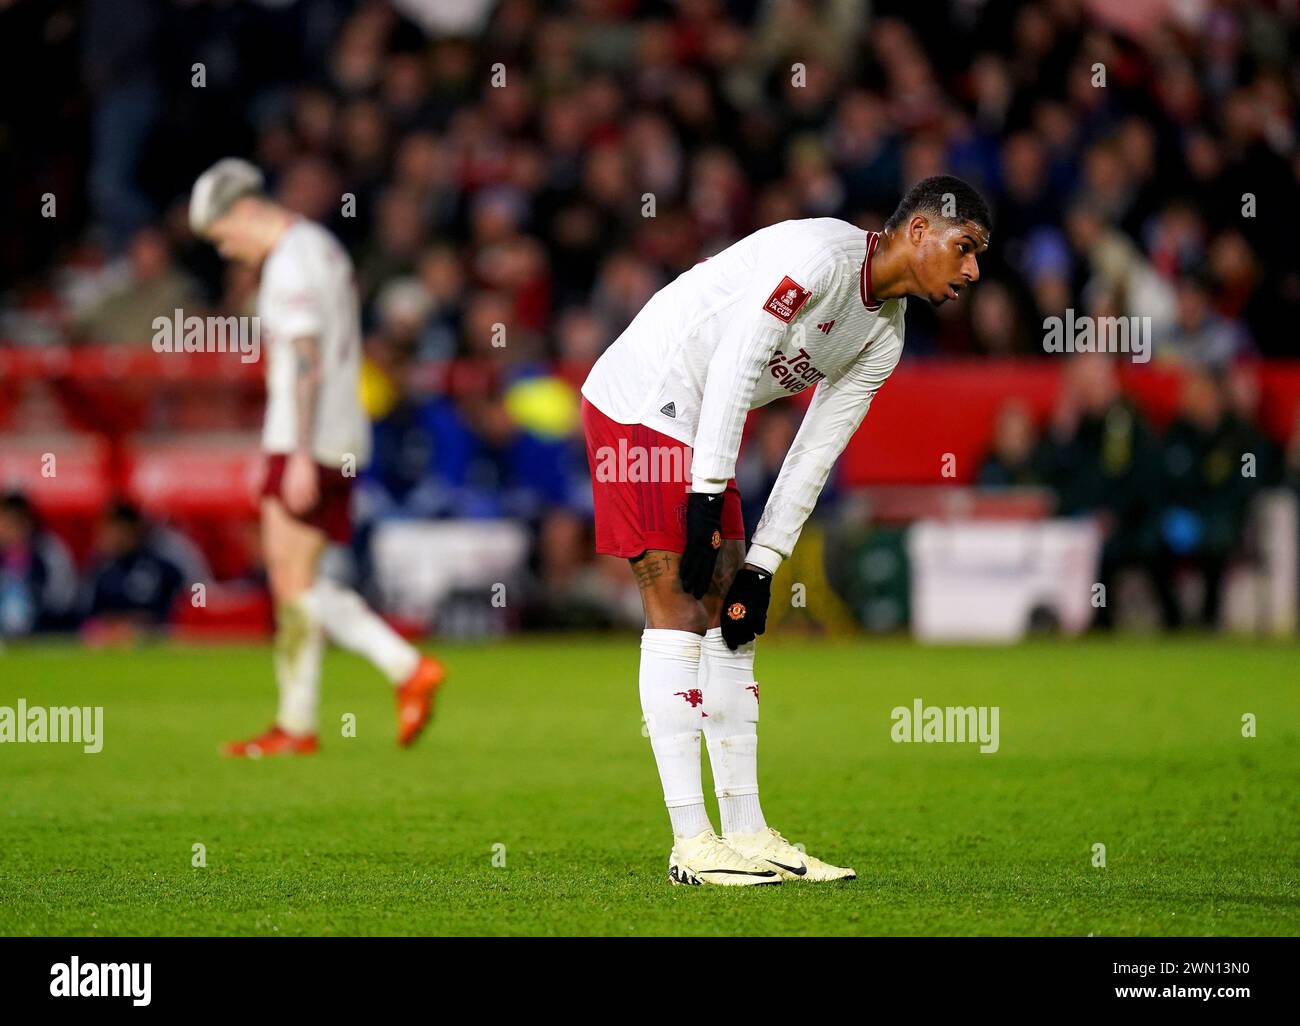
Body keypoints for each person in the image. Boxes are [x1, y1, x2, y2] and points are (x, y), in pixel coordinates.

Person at [580, 176, 991, 885]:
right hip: (644, 397)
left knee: (733, 617)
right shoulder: (818, 258)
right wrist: (708, 495)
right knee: (680, 605)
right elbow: (741, 358)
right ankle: (690, 843)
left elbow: (813, 451)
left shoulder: (885, 336)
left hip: (703, 418)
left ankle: (745, 831)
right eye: (965, 248)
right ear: (919, 231)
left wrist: (765, 564)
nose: (973, 271)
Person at [188, 158, 445, 758]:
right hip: (341, 432)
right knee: (297, 582)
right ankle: (305, 718)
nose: (226, 250)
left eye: (224, 235)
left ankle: (386, 675)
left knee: (291, 581)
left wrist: (298, 452)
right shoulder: (319, 245)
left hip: (309, 438)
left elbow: (304, 355)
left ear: (246, 210)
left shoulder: (290, 263)